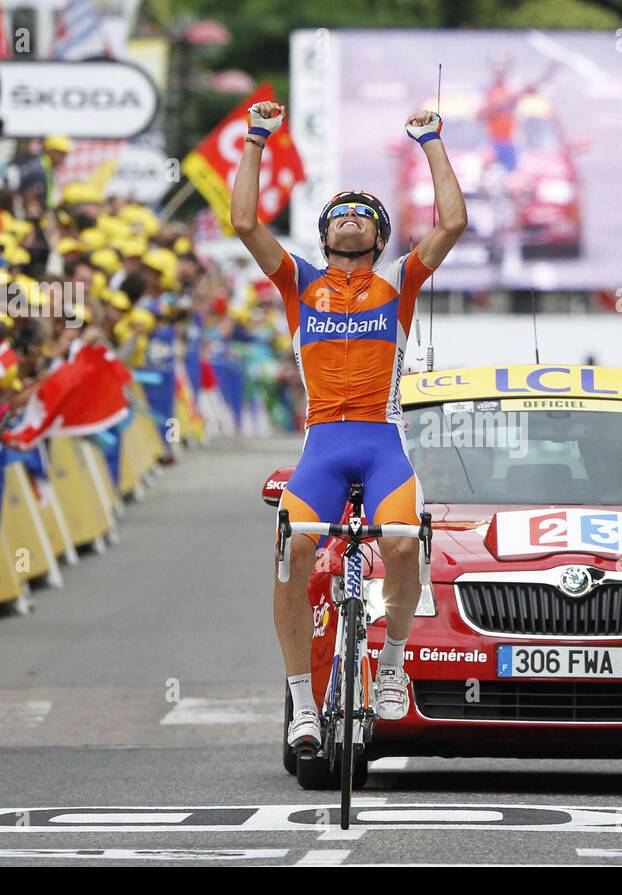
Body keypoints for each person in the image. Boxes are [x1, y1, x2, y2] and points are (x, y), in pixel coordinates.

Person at [230, 99, 466, 751]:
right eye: (342, 214)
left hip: (382, 441)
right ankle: (302, 704)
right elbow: (244, 220)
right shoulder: (298, 282)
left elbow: (453, 221)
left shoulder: (398, 282)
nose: (353, 218)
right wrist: (256, 139)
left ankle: (390, 672)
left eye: (366, 214)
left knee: (398, 546)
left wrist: (432, 142)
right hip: (323, 446)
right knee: (292, 556)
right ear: (326, 232)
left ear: (381, 236)